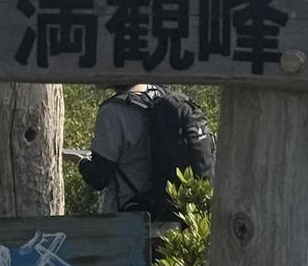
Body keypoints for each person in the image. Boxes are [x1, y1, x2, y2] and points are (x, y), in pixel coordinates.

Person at [76, 81, 215, 236]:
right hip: (175, 219)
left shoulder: (113, 111)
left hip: (131, 221)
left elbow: (99, 177)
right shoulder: (161, 95)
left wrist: (81, 163)